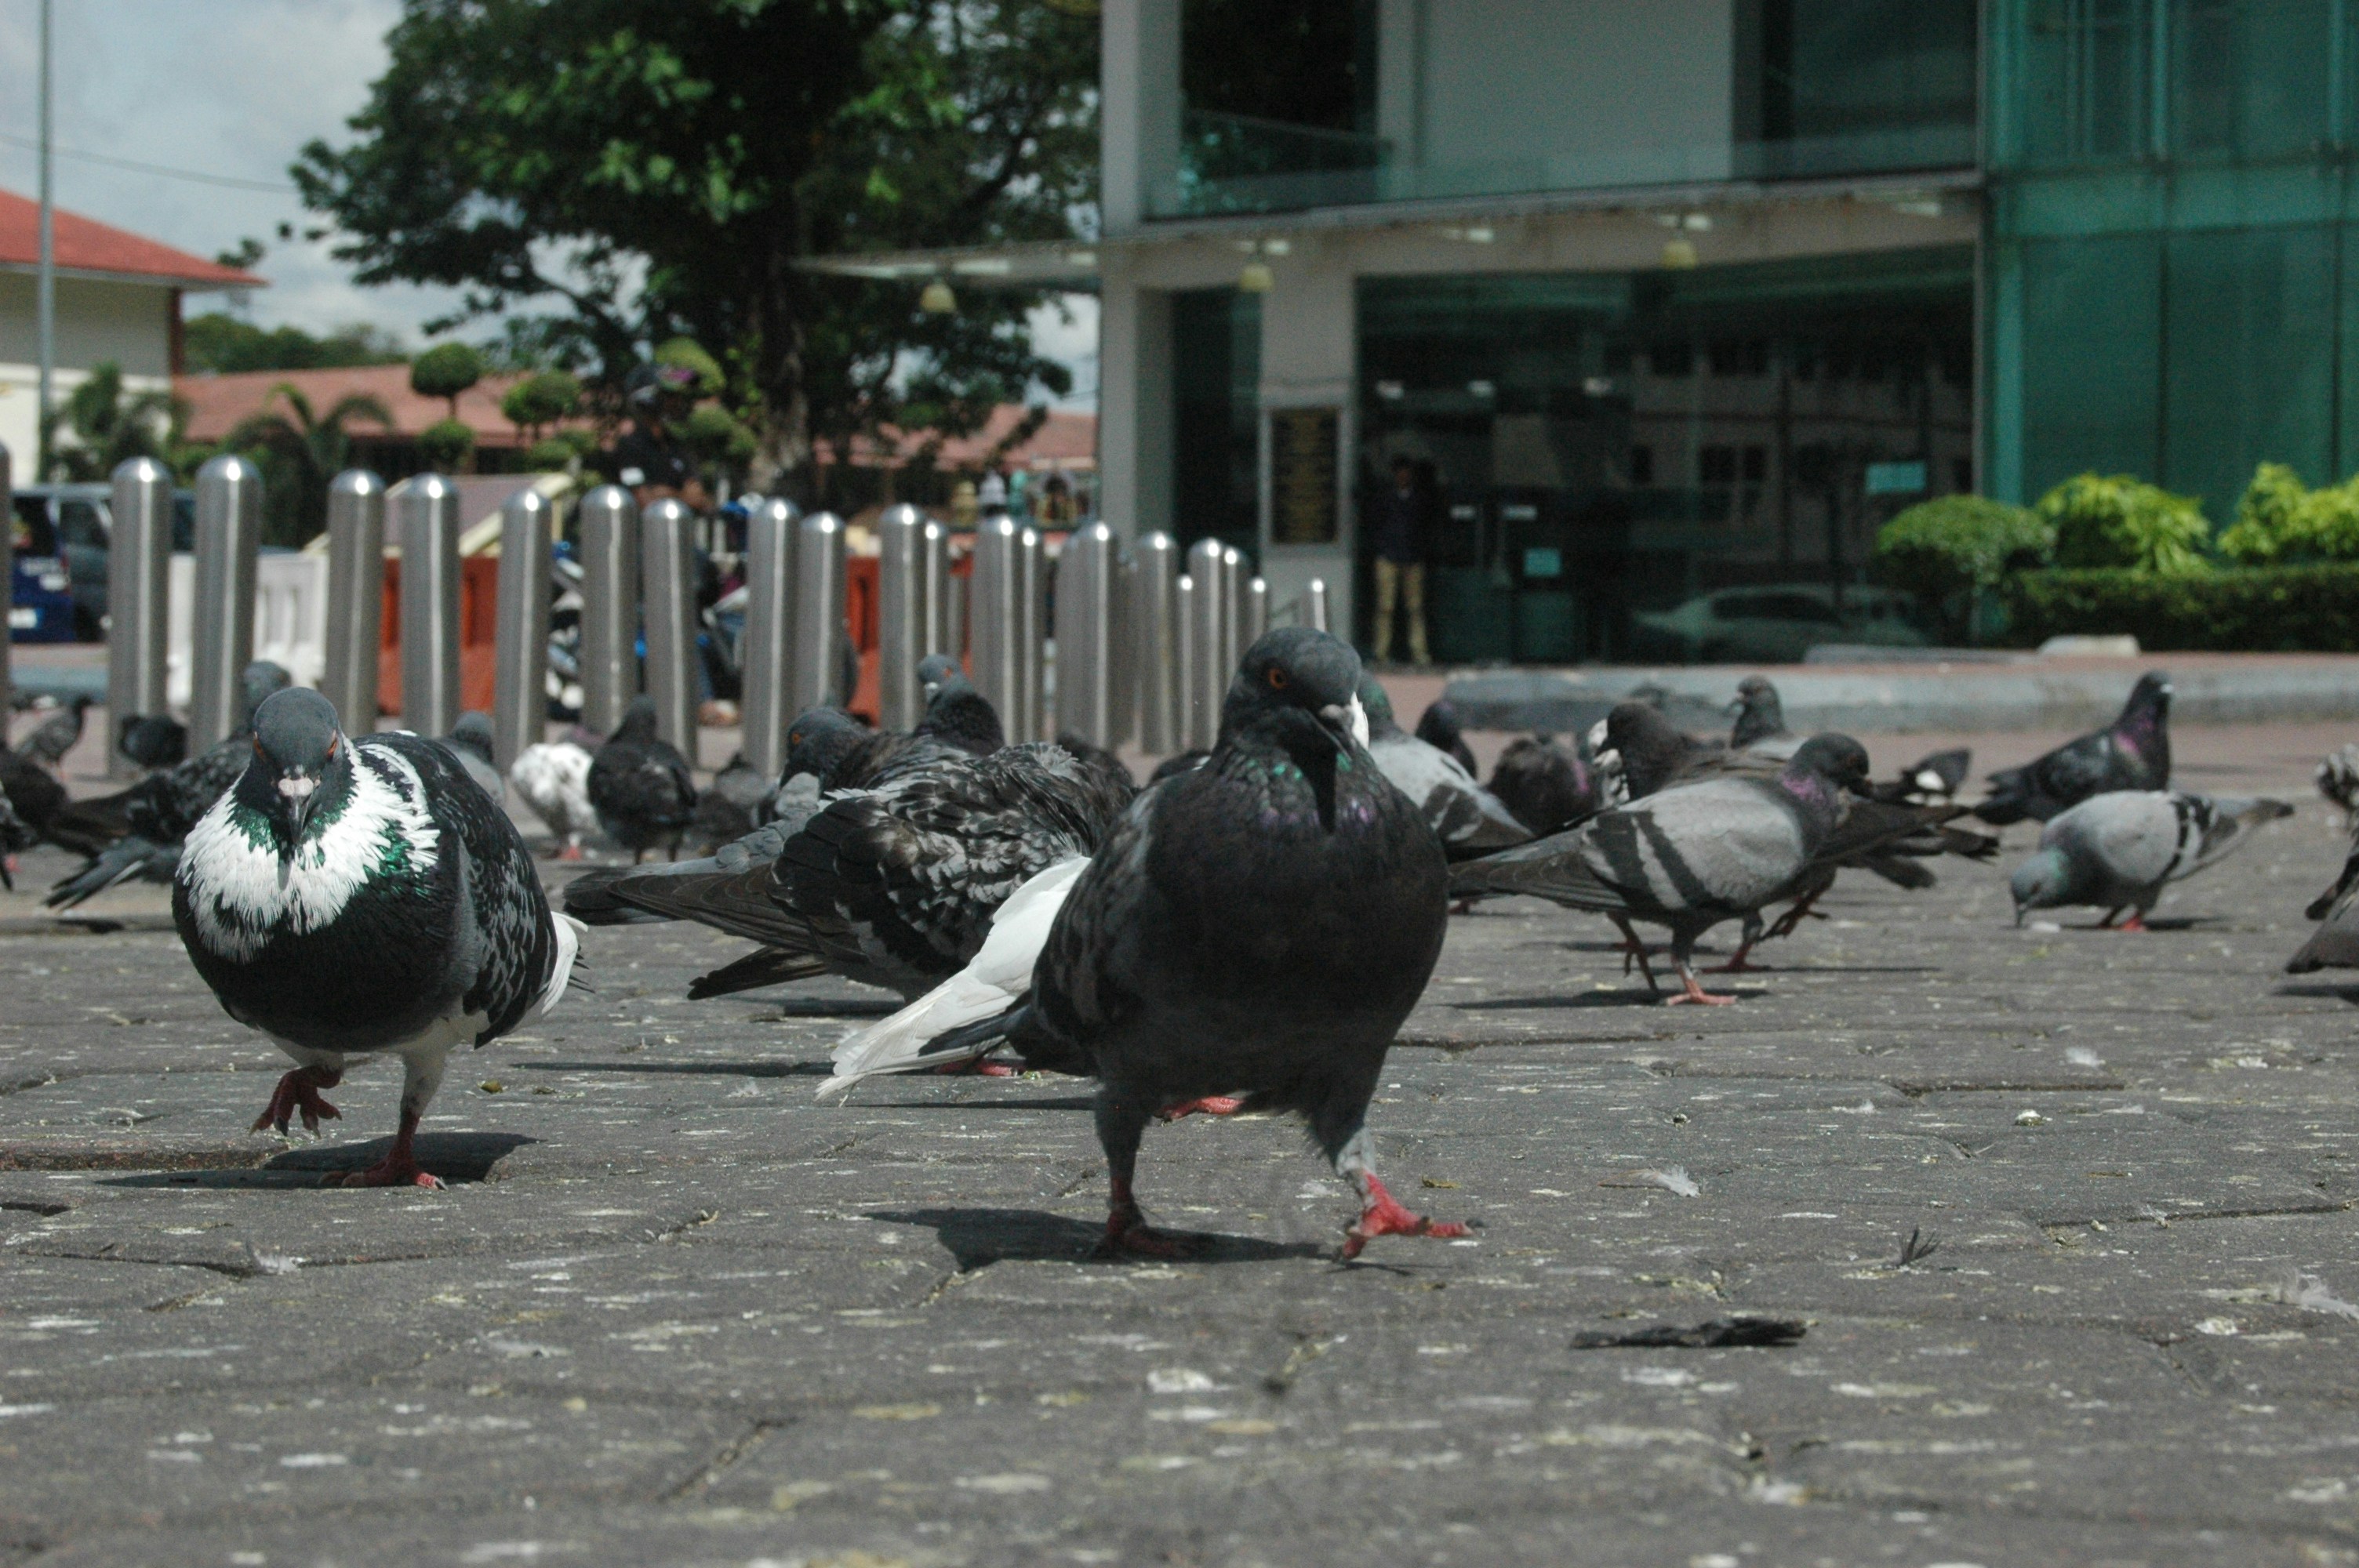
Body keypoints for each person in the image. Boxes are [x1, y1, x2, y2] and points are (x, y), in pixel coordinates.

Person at [610, 364, 713, 513]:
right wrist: (683, 496)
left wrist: (666, 493)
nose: (678, 401)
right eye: (670, 395)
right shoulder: (631, 446)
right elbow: (645, 502)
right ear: (648, 399)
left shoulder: (676, 445)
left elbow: (701, 499)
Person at [1369, 454, 1433, 666]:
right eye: (1400, 472)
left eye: (1406, 472)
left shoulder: (1421, 499)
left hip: (1413, 557)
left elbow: (1426, 526)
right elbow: (1375, 523)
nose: (1403, 476)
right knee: (1385, 607)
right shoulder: (1384, 497)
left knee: (1415, 608)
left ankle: (1419, 653)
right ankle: (1381, 653)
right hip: (1388, 556)